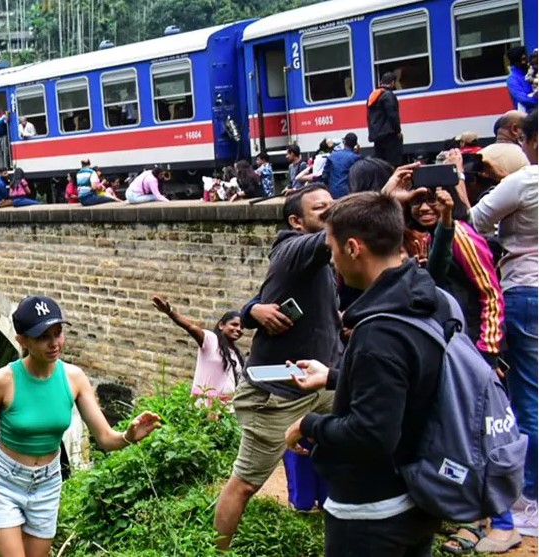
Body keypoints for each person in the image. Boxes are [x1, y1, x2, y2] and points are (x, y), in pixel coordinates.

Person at [284, 191, 446, 557]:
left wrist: (308, 425)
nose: (333, 260)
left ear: (353, 248)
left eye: (332, 249)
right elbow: (410, 380)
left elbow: (371, 433)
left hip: (372, 513)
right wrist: (334, 377)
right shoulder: (426, 299)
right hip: (416, 494)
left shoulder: (378, 333)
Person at [0, 296, 162, 557]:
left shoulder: (74, 378)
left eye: (58, 333)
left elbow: (105, 438)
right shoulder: (3, 380)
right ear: (22, 340)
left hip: (47, 483)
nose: (54, 343)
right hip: (5, 480)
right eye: (42, 337)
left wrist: (129, 436)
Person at [215, 184, 338, 550]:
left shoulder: (330, 259)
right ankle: (212, 548)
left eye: (334, 206)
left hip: (323, 380)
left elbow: (274, 289)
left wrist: (252, 308)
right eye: (322, 210)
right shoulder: (296, 248)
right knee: (247, 481)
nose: (331, 214)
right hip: (279, 390)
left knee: (358, 451)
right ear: (296, 222)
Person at [401, 185, 519, 553]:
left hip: (471, 355)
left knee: (482, 435)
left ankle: (499, 522)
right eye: (417, 201)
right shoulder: (418, 239)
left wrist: (489, 353)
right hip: (443, 353)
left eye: (433, 200)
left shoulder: (461, 235)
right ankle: (463, 514)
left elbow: (489, 291)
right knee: (452, 435)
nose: (424, 208)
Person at [470, 110, 538, 536]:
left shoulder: (527, 180)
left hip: (526, 290)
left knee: (527, 396)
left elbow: (475, 221)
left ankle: (531, 494)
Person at [151, 296, 243, 404]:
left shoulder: (235, 353)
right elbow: (191, 327)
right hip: (205, 407)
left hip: (226, 410)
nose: (238, 329)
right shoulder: (211, 340)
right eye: (234, 325)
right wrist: (170, 312)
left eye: (242, 327)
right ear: (221, 325)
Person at [367, 72, 404, 166]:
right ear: (392, 83)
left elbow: (369, 117)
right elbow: (393, 115)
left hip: (377, 136)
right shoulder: (388, 95)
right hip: (389, 135)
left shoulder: (372, 96)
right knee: (393, 163)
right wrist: (398, 131)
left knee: (380, 164)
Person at [321, 133, 362, 198]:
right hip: (349, 193)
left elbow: (325, 176)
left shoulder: (332, 156)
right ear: (355, 144)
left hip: (333, 192)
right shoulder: (356, 158)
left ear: (344, 142)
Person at [507, 46, 537, 113]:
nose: (526, 62)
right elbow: (522, 99)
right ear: (516, 61)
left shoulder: (532, 72)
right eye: (523, 59)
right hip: (527, 116)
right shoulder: (512, 79)